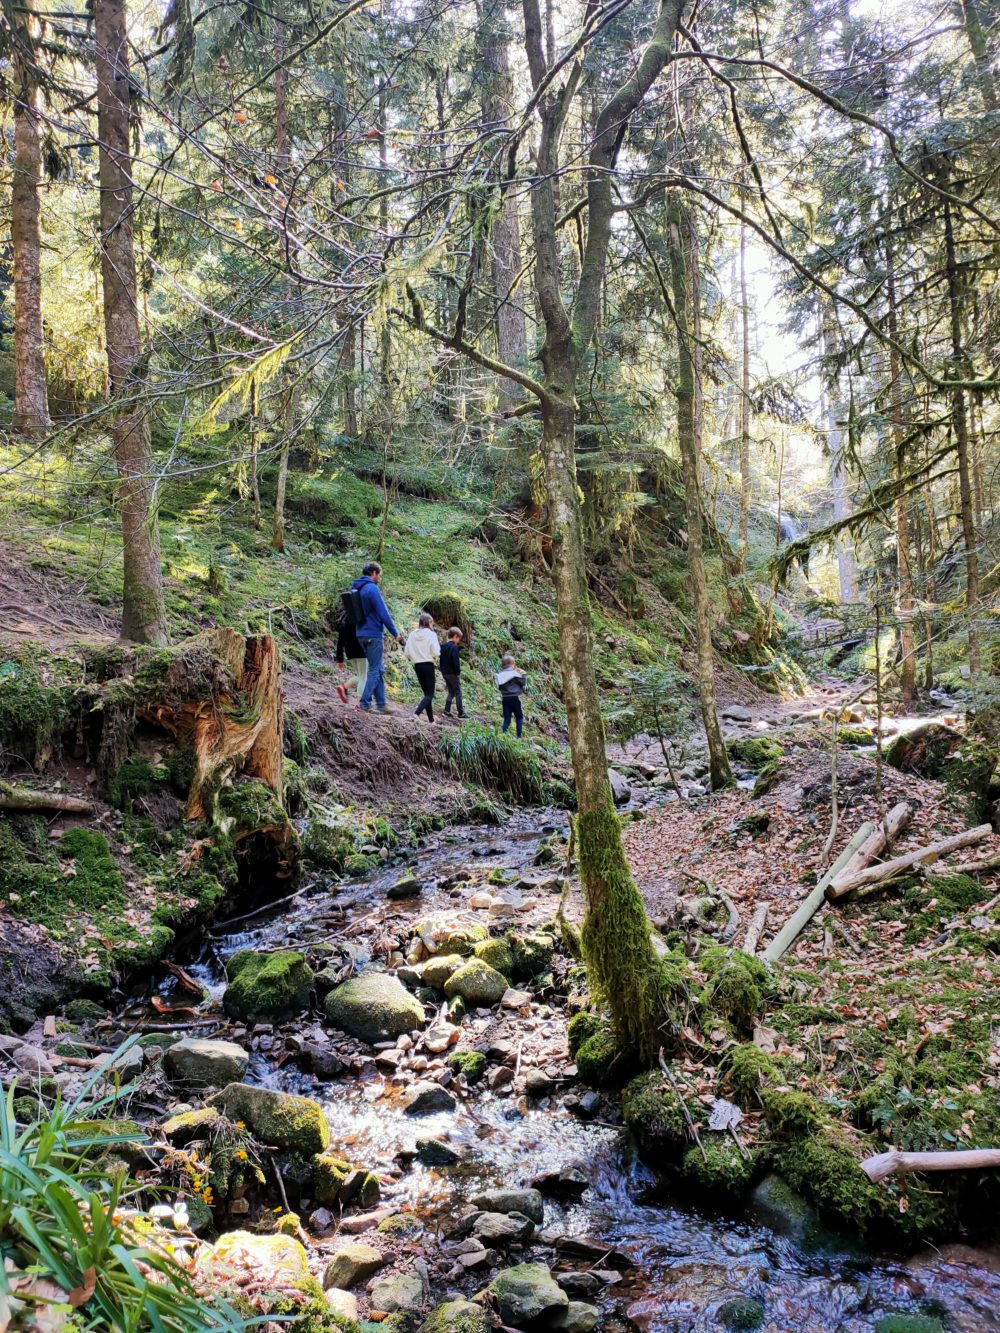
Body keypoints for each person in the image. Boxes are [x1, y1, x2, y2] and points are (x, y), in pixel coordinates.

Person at [351, 562, 404, 713]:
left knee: (378, 668)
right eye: (379, 574)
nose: (379, 577)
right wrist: (395, 633)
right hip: (373, 634)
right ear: (373, 573)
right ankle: (365, 704)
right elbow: (383, 613)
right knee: (374, 670)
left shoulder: (357, 588)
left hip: (360, 634)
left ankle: (382, 704)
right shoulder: (371, 588)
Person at [404, 612, 440, 722]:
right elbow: (437, 651)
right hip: (428, 665)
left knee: (427, 694)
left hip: (417, 666)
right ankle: (416, 714)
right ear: (429, 622)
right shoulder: (431, 634)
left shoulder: (412, 634)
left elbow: (407, 653)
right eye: (432, 623)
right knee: (430, 694)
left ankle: (431, 720)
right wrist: (434, 656)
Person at [334, 611, 367, 706]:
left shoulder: (343, 622)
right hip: (361, 651)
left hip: (350, 653)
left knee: (360, 676)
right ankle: (358, 703)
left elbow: (340, 642)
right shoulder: (359, 619)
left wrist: (340, 659)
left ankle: (344, 687)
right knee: (363, 677)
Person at [496, 652, 526, 737]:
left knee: (507, 718)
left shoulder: (500, 675)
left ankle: (503, 735)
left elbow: (499, 687)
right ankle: (519, 736)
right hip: (515, 698)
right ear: (512, 664)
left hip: (505, 698)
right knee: (519, 717)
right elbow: (522, 683)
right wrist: (523, 674)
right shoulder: (515, 674)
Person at [439, 627, 465, 718]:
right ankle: (461, 713)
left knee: (451, 692)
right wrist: (457, 672)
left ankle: (447, 710)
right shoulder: (454, 647)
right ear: (455, 636)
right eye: (458, 639)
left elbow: (442, 659)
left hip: (444, 672)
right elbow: (455, 662)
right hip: (452, 673)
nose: (458, 641)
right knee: (458, 692)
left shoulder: (443, 646)